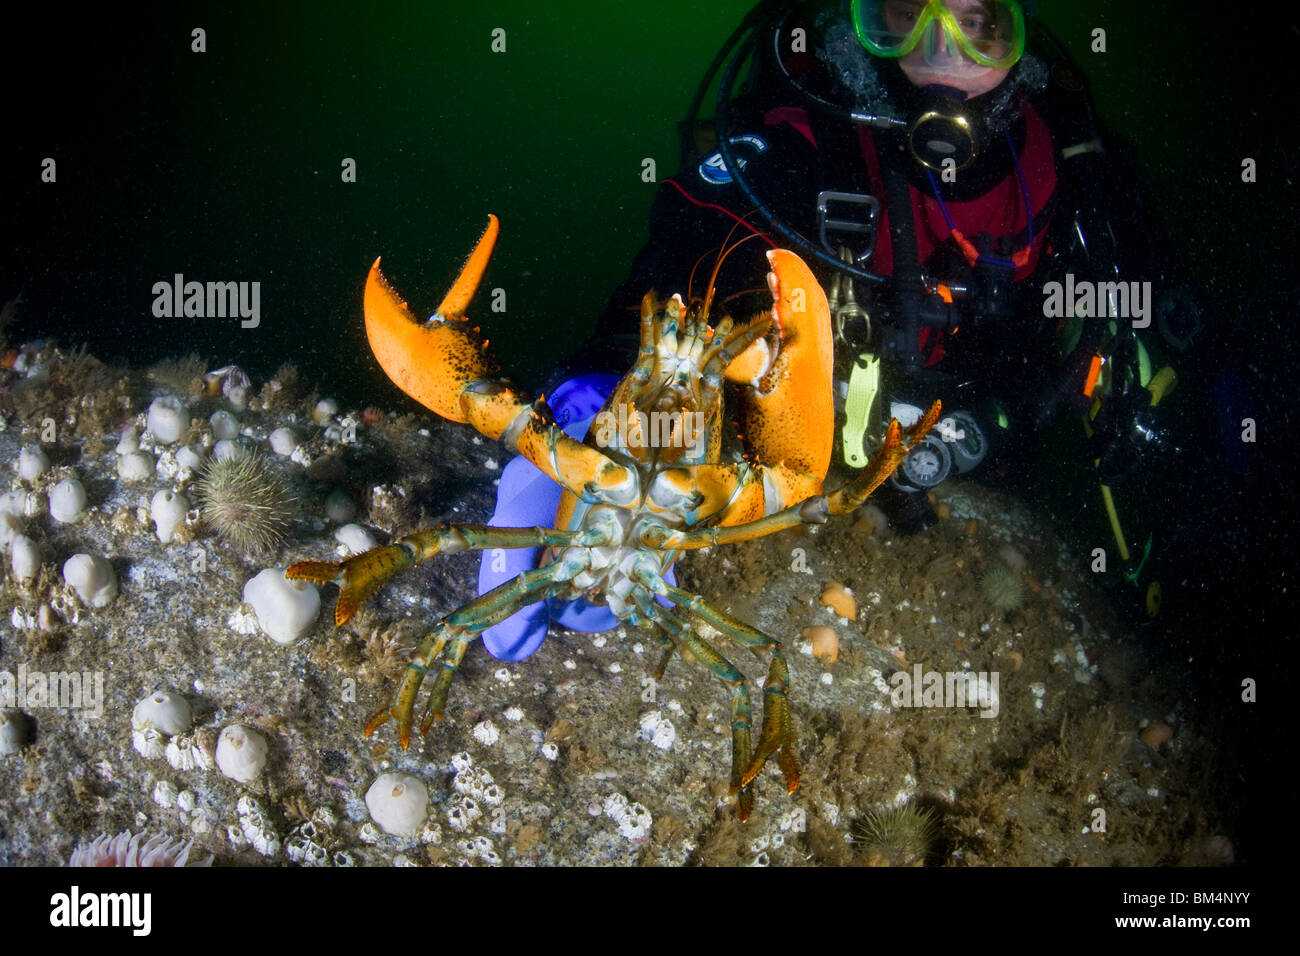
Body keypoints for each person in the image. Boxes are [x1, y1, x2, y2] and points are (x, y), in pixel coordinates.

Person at [479, 0, 1190, 655]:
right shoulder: (796, 137)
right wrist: (600, 380)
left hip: (993, 454)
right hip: (802, 459)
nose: (942, 52)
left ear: (1022, 27)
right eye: (906, 15)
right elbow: (688, 254)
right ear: (863, 19)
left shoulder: (1074, 159)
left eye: (979, 22)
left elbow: (1166, 305)